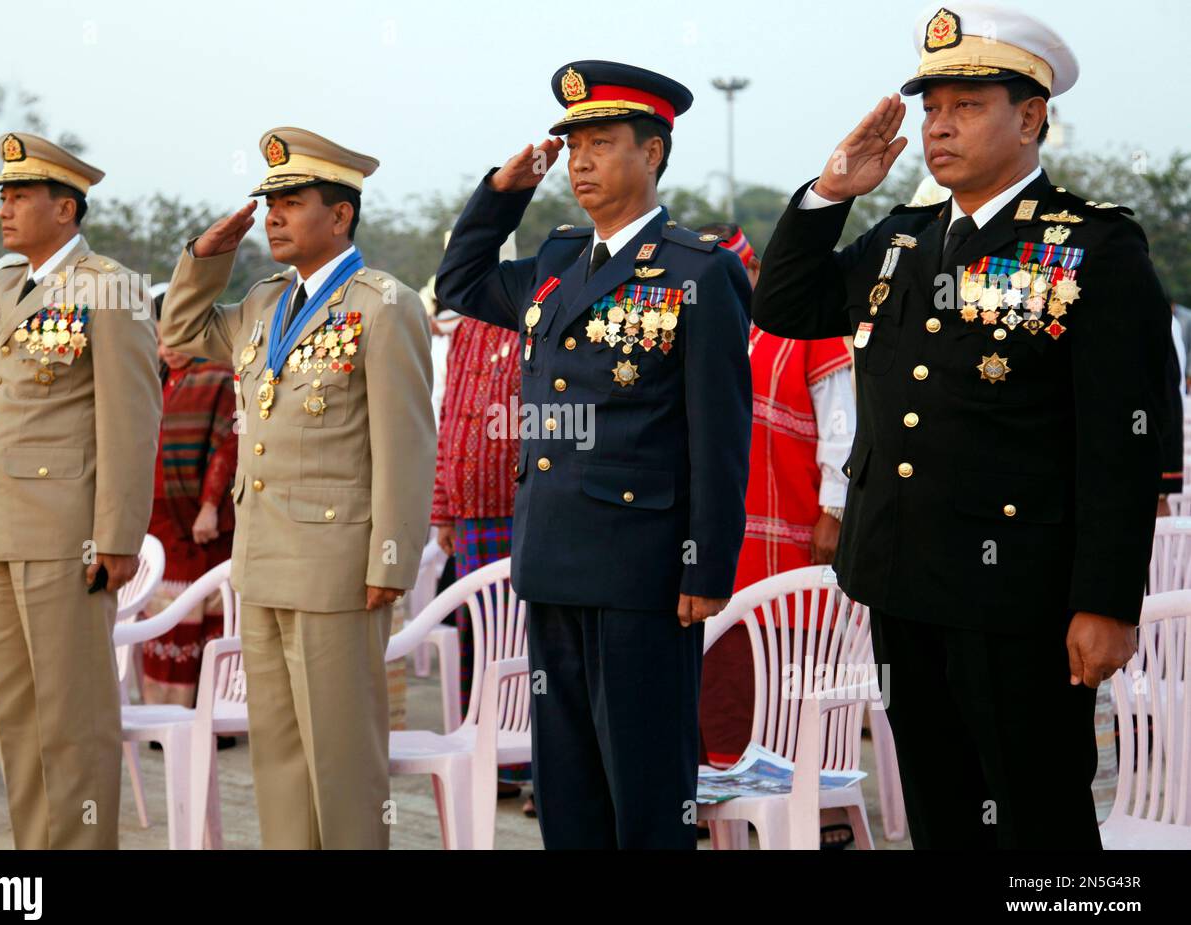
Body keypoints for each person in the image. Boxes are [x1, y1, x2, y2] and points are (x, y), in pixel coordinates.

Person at [752, 2, 1171, 849]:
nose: (940, 127)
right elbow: (786, 303)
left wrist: (1106, 603)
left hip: (1020, 595)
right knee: (941, 811)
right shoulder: (903, 238)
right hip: (901, 579)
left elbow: (1124, 445)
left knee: (1039, 814)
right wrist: (831, 192)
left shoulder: (1091, 247)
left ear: (1032, 116)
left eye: (968, 105)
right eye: (932, 107)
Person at [436, 61, 751, 849]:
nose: (580, 161)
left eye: (601, 143)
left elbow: (720, 432)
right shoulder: (557, 259)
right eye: (572, 144)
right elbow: (459, 282)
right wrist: (503, 192)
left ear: (652, 152)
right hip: (551, 555)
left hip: (644, 565)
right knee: (567, 783)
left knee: (645, 782)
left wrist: (707, 565)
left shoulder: (698, 270)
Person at [161, 127, 436, 849]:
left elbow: (406, 443)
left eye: (290, 201)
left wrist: (391, 559)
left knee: (341, 763)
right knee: (278, 759)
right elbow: (181, 328)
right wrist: (206, 256)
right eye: (268, 202)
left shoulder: (384, 305)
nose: (274, 215)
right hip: (263, 560)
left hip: (336, 565)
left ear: (340, 215)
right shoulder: (261, 302)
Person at [0, 132, 161, 849]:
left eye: (19, 196)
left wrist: (117, 538)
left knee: (73, 718)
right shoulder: (1, 287)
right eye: (3, 195)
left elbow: (133, 421)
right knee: (18, 712)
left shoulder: (111, 286)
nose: (4, 209)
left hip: (69, 536)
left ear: (66, 210)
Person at [695, 222, 855, 770]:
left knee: (785, 662)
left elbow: (843, 429)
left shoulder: (806, 330)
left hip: (788, 532)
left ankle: (808, 799)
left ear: (758, 271)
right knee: (718, 668)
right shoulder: (693, 333)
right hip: (709, 536)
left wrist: (834, 509)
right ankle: (716, 800)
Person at [428, 264, 530, 808]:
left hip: (524, 512)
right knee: (480, 639)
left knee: (530, 640)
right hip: (470, 518)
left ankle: (538, 765)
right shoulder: (466, 329)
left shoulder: (531, 323)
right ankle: (494, 760)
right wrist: (443, 509)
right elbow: (449, 417)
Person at [141, 294, 238, 712]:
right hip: (160, 520)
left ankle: (207, 716)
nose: (167, 349)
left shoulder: (218, 375)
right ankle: (164, 714)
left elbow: (228, 444)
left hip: (202, 522)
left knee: (205, 620)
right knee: (163, 617)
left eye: (175, 339)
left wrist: (210, 505)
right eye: (161, 339)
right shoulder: (156, 376)